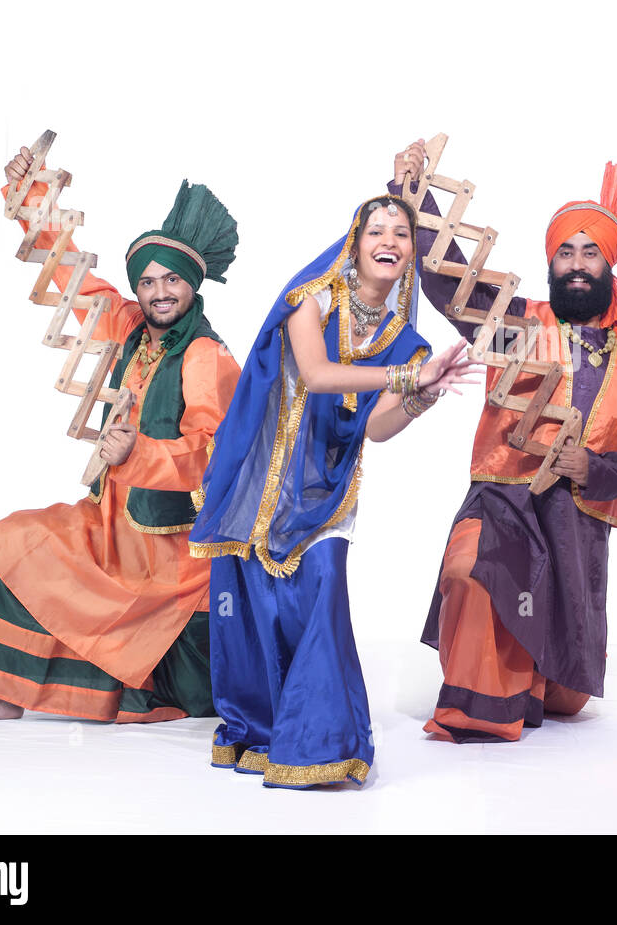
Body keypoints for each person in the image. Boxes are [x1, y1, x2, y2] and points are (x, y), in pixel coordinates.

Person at [0, 144, 241, 727]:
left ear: (194, 285)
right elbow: (72, 276)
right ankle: (3, 692)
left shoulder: (207, 355)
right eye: (147, 282)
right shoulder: (129, 328)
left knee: (186, 683)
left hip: (171, 555)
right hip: (111, 521)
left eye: (171, 280)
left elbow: (214, 456)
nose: (158, 293)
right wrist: (30, 197)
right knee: (13, 542)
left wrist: (138, 452)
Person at [391, 140, 617, 743]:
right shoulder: (517, 324)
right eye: (566, 252)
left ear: (610, 265)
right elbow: (449, 284)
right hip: (502, 497)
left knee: (565, 695)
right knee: (471, 572)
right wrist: (410, 198)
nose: (578, 263)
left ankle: (535, 682)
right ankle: (476, 706)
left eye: (591, 253)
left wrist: (595, 467)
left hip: (574, 517)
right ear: (551, 262)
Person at [189, 194, 478, 788]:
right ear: (355, 241)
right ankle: (261, 731)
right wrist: (407, 377)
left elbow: (377, 427)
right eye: (378, 230)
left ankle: (318, 744)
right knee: (256, 607)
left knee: (322, 592)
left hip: (326, 491)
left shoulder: (407, 342)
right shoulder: (310, 303)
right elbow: (317, 375)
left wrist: (424, 394)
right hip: (258, 481)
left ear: (411, 253)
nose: (390, 241)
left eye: (402, 233)